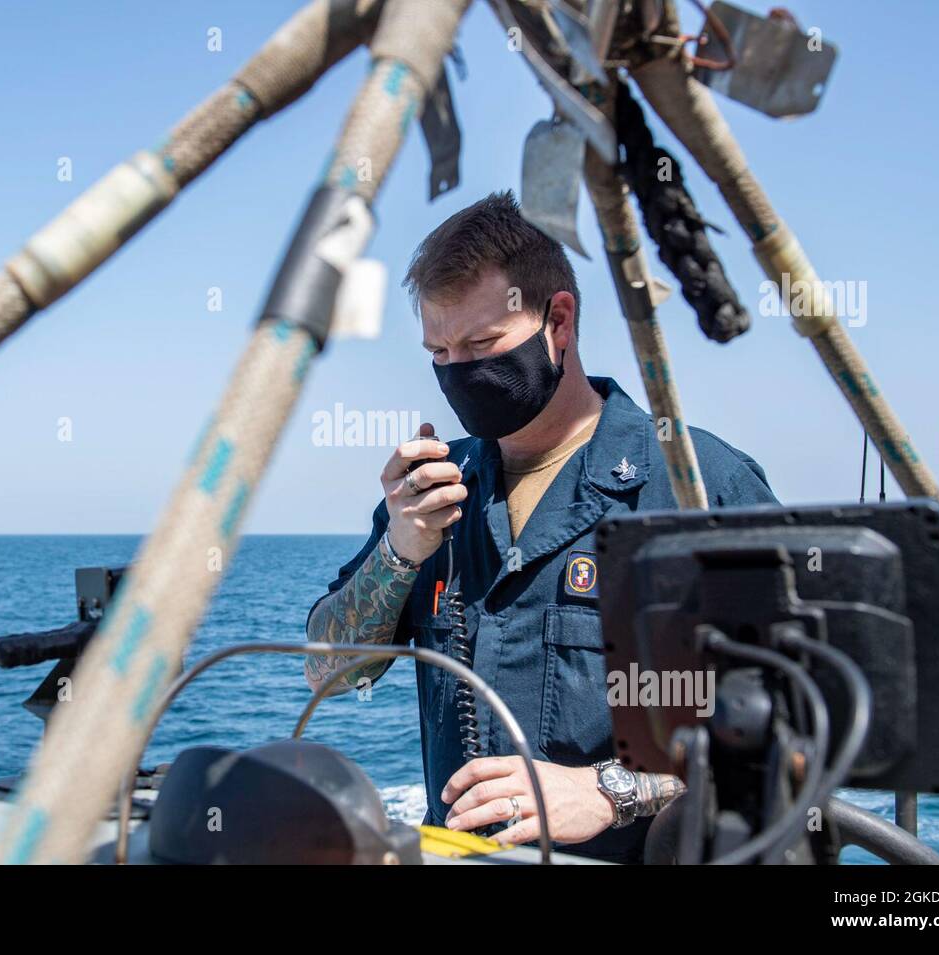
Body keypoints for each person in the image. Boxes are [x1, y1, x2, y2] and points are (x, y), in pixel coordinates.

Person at [304, 191, 777, 862]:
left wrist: (613, 791)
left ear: (559, 321)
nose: (458, 371)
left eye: (482, 344)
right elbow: (327, 672)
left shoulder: (701, 484)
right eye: (438, 351)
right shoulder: (431, 494)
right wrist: (400, 550)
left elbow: (795, 730)